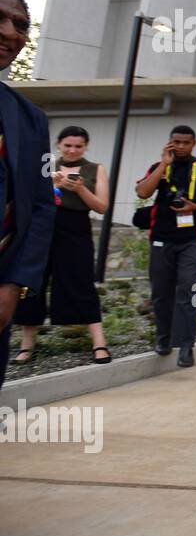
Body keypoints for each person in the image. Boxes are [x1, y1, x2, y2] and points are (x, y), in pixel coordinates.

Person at [13, 126, 112, 366]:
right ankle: (26, 345)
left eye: (78, 146)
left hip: (76, 229)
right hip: (42, 227)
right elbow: (27, 197)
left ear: (86, 146)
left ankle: (99, 343)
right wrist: (51, 183)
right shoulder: (47, 164)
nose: (72, 150)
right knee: (33, 282)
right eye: (68, 145)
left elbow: (101, 206)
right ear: (58, 145)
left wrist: (79, 188)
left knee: (81, 282)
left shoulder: (95, 169)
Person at [0, 0, 55, 387]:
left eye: (20, 25)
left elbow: (39, 206)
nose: (10, 33)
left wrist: (15, 284)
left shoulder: (29, 119)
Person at [135, 125, 196, 368]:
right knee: (161, 292)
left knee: (188, 288)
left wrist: (195, 207)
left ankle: (186, 346)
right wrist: (164, 164)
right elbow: (143, 192)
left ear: (194, 143)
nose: (181, 146)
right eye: (176, 142)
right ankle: (163, 339)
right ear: (169, 142)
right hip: (161, 237)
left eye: (186, 142)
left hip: (193, 239)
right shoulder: (159, 167)